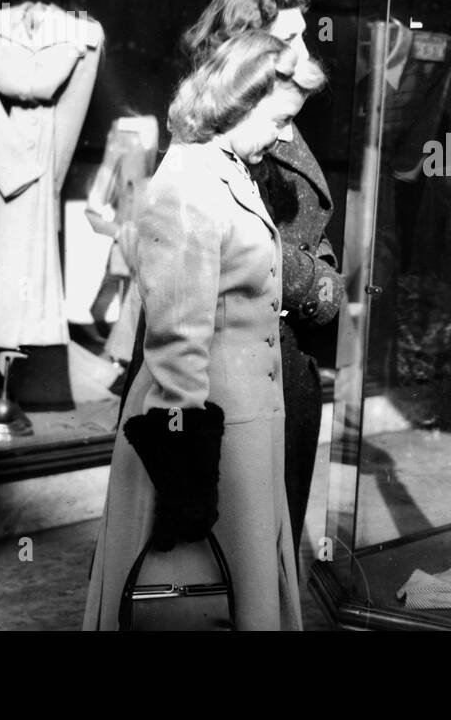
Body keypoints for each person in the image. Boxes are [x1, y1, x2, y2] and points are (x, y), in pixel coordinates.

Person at [83, 31, 326, 630]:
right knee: (194, 599)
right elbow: (174, 341)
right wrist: (185, 487)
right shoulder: (188, 184)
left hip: (243, 430)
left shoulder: (234, 171)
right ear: (238, 104)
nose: (285, 135)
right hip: (202, 435)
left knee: (236, 594)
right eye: (278, 120)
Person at [179, 0, 344, 549]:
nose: (306, 50)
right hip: (241, 366)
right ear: (248, 47)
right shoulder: (229, 134)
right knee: (230, 551)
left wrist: (318, 276)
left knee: (269, 544)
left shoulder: (283, 120)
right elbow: (246, 251)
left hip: (287, 364)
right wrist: (310, 279)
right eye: (290, 37)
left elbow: (305, 238)